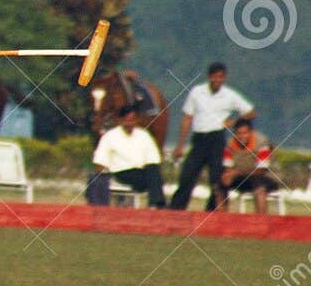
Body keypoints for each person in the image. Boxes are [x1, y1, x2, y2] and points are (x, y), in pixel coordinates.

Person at [168, 62, 252, 211]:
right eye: (214, 77)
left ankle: (213, 211)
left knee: (217, 179)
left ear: (224, 78)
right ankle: (176, 210)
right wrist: (180, 145)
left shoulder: (229, 95)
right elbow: (187, 118)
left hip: (216, 139)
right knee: (187, 175)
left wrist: (233, 121)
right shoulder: (197, 92)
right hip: (199, 138)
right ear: (209, 77)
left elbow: (250, 112)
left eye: (220, 77)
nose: (217, 80)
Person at [87, 103, 165, 207]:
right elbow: (100, 160)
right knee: (154, 178)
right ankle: (157, 204)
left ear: (137, 120)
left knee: (154, 171)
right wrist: (102, 178)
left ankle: (155, 204)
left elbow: (153, 159)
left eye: (132, 120)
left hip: (142, 172)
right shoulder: (110, 136)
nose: (129, 123)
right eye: (127, 120)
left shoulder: (144, 136)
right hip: (121, 172)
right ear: (120, 120)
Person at [220, 118, 283, 213]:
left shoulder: (262, 143)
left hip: (266, 177)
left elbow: (261, 170)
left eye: (244, 133)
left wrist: (236, 172)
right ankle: (220, 220)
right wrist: (227, 176)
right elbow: (228, 167)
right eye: (238, 133)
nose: (241, 136)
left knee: (259, 187)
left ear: (251, 132)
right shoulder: (230, 144)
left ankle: (261, 222)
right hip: (243, 178)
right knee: (220, 184)